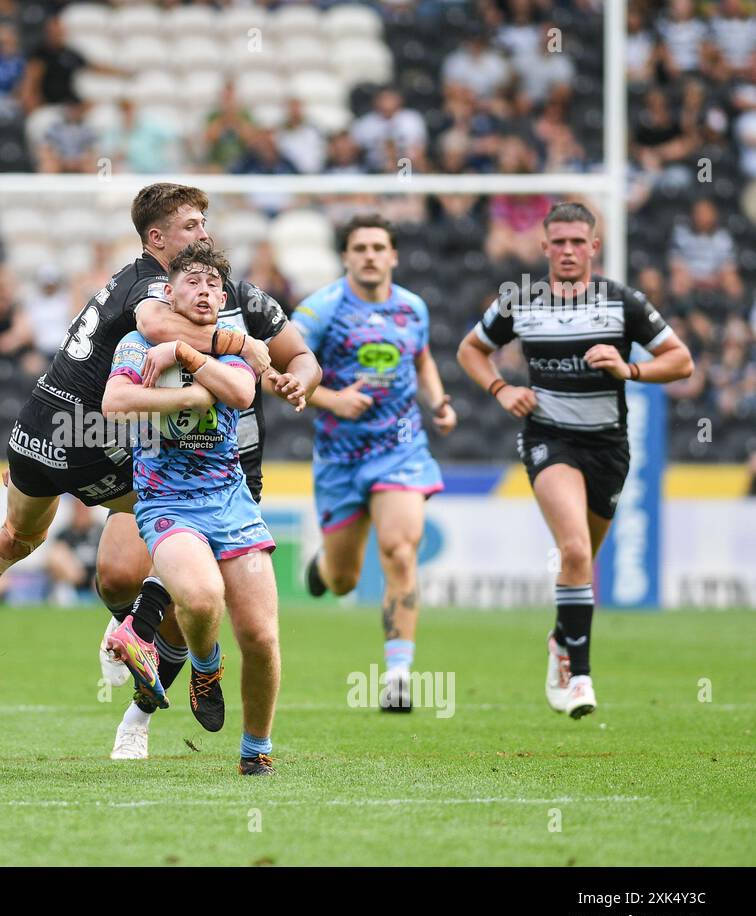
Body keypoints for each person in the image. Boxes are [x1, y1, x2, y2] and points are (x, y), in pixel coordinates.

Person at [0, 183, 275, 716]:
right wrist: (242, 343)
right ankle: (139, 630)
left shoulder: (123, 279)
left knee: (13, 538)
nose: (204, 232)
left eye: (204, 224)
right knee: (183, 506)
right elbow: (156, 325)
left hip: (38, 426)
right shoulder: (153, 285)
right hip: (91, 435)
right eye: (191, 226)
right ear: (156, 238)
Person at [457, 201, 693, 719]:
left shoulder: (623, 302)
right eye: (557, 242)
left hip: (608, 447)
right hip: (548, 440)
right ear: (544, 247)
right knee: (576, 551)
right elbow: (470, 350)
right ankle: (579, 677)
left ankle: (560, 640)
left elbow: (681, 361)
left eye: (576, 242)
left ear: (594, 246)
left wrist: (629, 369)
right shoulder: (520, 300)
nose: (567, 251)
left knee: (579, 563)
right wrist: (500, 388)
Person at [102, 242, 279, 775]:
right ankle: (206, 665)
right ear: (170, 292)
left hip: (232, 502)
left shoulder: (227, 345)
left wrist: (184, 357)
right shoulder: (136, 342)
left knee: (263, 638)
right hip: (167, 503)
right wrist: (190, 395)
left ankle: (256, 751)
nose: (203, 292)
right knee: (201, 601)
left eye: (212, 286)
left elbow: (242, 392)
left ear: (221, 296)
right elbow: (116, 402)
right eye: (192, 283)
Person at [293, 214, 457, 712]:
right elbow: (276, 372)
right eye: (359, 247)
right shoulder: (319, 311)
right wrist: (334, 400)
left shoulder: (413, 309)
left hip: (400, 449)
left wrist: (439, 400)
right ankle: (323, 567)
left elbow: (422, 358)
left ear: (393, 256)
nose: (369, 255)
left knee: (401, 552)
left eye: (378, 247)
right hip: (340, 457)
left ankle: (399, 677)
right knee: (344, 579)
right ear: (345, 256)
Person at [46, 499, 103, 606]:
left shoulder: (100, 531)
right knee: (58, 553)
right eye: (79, 509)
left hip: (96, 579)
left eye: (85, 509)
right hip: (73, 577)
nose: (82, 513)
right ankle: (67, 595)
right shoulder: (64, 534)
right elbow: (52, 559)